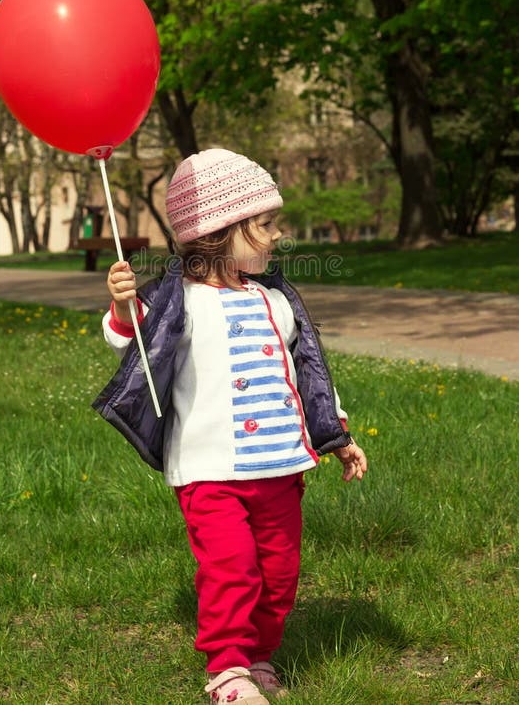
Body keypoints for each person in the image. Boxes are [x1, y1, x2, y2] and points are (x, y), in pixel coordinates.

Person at [93, 148, 367, 705]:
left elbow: (305, 371)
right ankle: (228, 668)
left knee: (278, 574)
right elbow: (131, 342)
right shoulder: (180, 302)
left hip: (282, 466)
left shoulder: (275, 300)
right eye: (264, 224)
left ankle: (261, 655)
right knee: (233, 569)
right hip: (209, 469)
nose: (276, 235)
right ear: (219, 232)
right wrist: (124, 309)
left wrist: (335, 432)